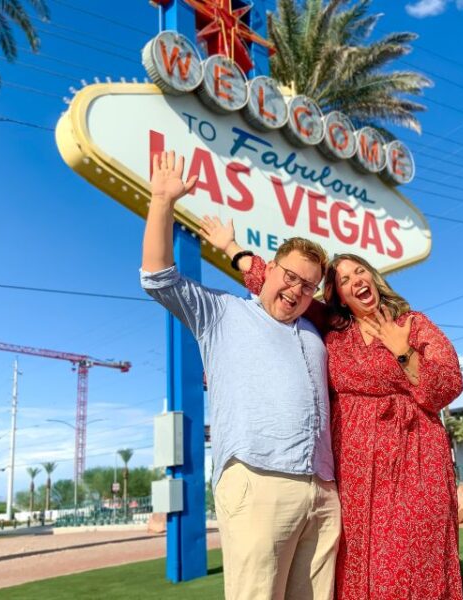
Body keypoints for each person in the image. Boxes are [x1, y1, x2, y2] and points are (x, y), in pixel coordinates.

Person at [198, 217, 463, 600]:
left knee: (406, 564)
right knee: (354, 564)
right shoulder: (332, 326)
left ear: (373, 278)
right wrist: (230, 247)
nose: (356, 280)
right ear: (337, 295)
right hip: (354, 472)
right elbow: (275, 284)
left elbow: (447, 386)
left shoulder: (413, 324)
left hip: (414, 464)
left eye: (360, 271)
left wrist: (403, 351)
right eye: (343, 278)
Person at [140, 152, 340, 600]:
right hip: (259, 481)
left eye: (308, 286)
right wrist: (161, 200)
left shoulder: (313, 331)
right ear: (270, 270)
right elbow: (157, 278)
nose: (296, 290)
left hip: (323, 492)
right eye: (290, 276)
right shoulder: (223, 313)